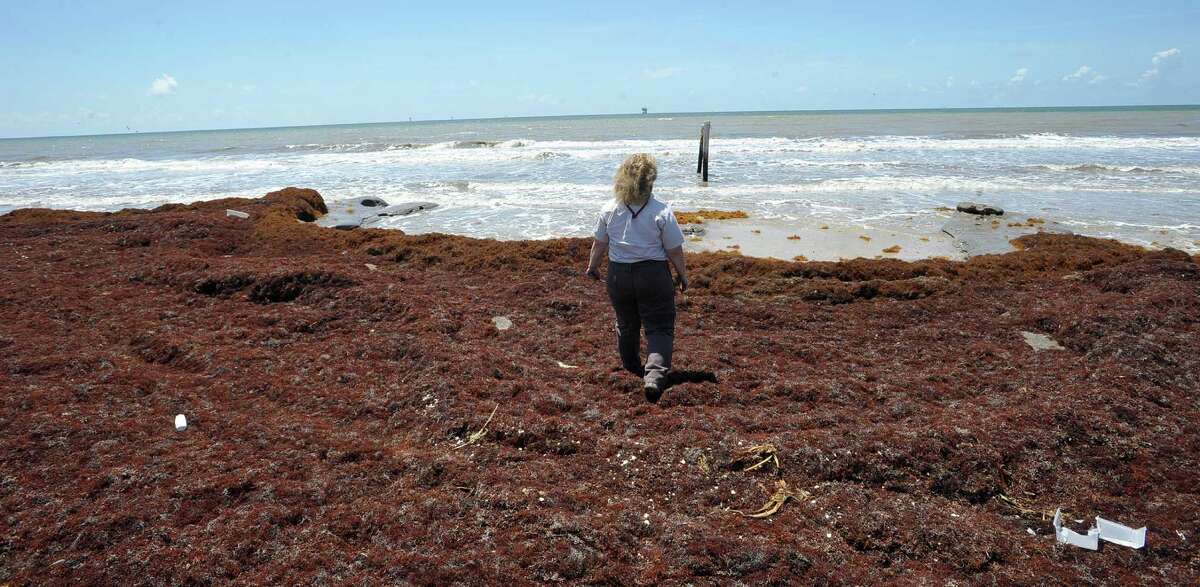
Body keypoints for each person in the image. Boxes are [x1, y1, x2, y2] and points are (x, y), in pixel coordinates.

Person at [585, 153, 688, 403]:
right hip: (652, 274)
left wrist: (592, 267)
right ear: (650, 182)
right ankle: (653, 377)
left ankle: (631, 366)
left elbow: (599, 244)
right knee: (660, 326)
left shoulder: (609, 209)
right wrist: (683, 274)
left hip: (619, 275)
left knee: (626, 324)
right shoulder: (661, 211)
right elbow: (674, 249)